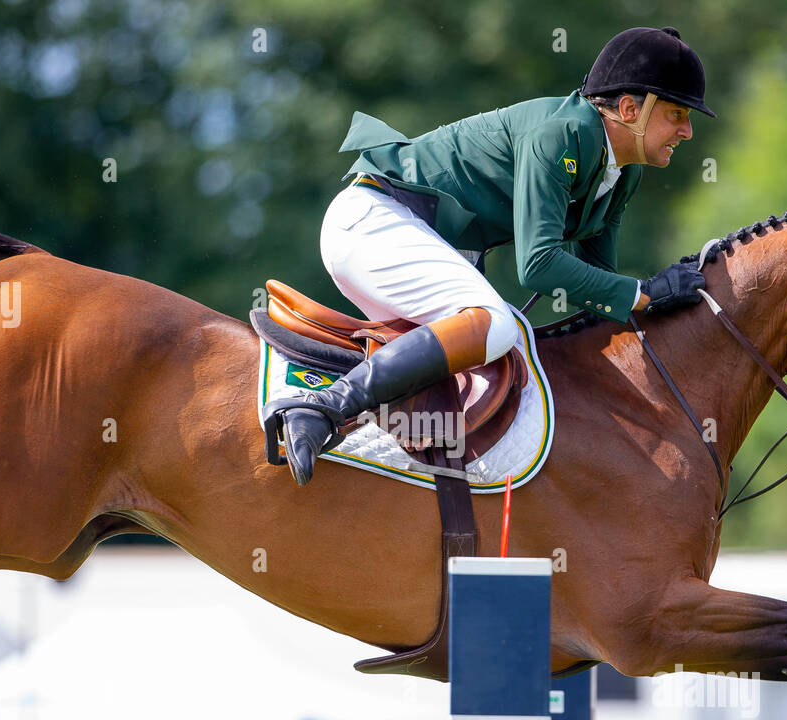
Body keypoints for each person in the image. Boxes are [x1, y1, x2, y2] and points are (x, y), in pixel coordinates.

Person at [265, 26, 714, 486]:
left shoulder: (622, 173)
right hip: (372, 221)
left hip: (394, 232)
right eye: (677, 113)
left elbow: (597, 284)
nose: (687, 130)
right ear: (628, 109)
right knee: (496, 324)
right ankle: (323, 408)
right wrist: (643, 292)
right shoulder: (562, 133)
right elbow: (539, 266)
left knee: (507, 348)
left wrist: (660, 301)